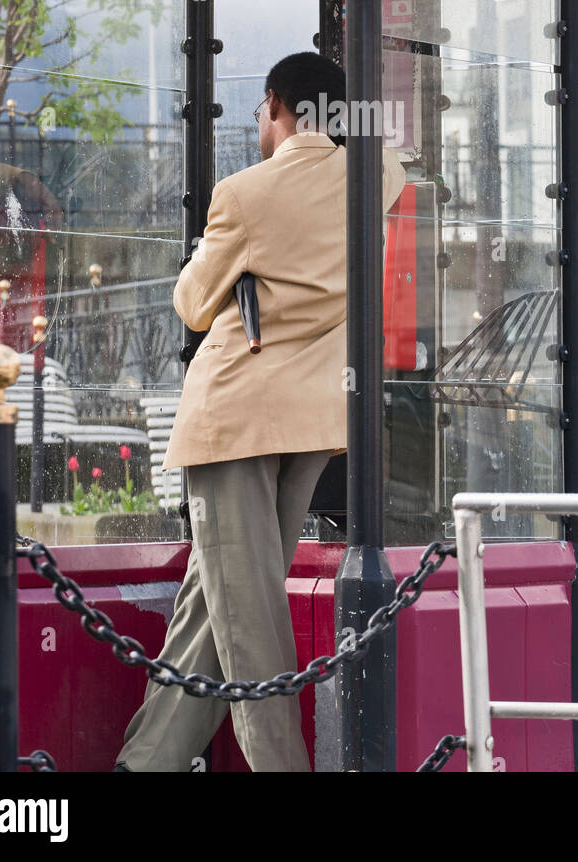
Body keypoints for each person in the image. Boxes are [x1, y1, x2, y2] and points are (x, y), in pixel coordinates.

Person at [115, 52, 405, 772]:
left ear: (276, 103)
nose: (258, 124)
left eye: (260, 111)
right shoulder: (379, 179)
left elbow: (191, 303)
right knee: (215, 607)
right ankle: (145, 762)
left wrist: (228, 261)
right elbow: (384, 158)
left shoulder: (242, 193)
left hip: (235, 420)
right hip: (310, 422)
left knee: (245, 616)